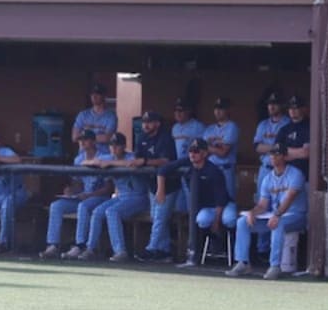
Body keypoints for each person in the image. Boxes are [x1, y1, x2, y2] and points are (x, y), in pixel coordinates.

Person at [226, 142, 307, 280]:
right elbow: (263, 205)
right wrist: (252, 212)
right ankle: (243, 262)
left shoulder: (295, 174)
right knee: (242, 222)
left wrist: (276, 215)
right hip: (275, 216)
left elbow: (289, 199)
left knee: (278, 223)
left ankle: (275, 266)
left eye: (277, 154)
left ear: (285, 157)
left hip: (296, 216)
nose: (273, 157)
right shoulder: (268, 178)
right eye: (271, 154)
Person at [156, 138, 236, 268]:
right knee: (201, 220)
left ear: (204, 153)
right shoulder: (187, 162)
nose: (192, 154)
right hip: (206, 207)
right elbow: (163, 170)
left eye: (196, 151)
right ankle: (207, 246)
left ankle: (235, 252)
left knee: (229, 219)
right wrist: (161, 190)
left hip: (223, 205)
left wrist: (216, 221)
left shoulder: (213, 170)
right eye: (190, 151)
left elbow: (221, 199)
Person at [39, 130, 112, 260]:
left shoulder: (104, 157)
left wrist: (89, 195)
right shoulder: (79, 159)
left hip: (100, 197)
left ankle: (80, 245)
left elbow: (108, 188)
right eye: (80, 140)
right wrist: (71, 190)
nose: (82, 142)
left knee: (83, 206)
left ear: (93, 141)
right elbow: (77, 182)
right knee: (56, 206)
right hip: (83, 196)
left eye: (86, 139)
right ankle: (53, 245)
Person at [84, 132, 150, 262]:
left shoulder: (131, 156)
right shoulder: (108, 157)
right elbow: (85, 162)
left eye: (117, 145)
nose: (114, 148)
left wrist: (111, 163)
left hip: (139, 197)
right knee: (97, 212)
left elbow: (130, 163)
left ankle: (120, 251)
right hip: (121, 197)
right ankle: (90, 249)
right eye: (112, 145)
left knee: (112, 212)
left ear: (124, 146)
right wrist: (100, 162)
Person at [133, 111, 179, 263]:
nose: (145, 124)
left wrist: (146, 162)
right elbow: (137, 158)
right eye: (144, 121)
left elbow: (166, 160)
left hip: (169, 185)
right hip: (152, 184)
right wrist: (142, 161)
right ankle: (164, 251)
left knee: (159, 217)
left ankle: (152, 248)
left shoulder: (165, 138)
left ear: (157, 123)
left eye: (149, 121)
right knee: (157, 217)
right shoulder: (142, 138)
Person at [253, 92, 291, 198]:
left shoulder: (288, 123)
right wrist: (275, 148)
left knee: (281, 200)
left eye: (275, 104)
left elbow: (286, 148)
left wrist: (266, 147)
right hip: (265, 168)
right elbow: (256, 147)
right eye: (270, 104)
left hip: (282, 170)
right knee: (261, 201)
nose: (272, 107)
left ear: (282, 105)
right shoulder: (263, 124)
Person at [203, 97, 240, 201]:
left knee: (227, 201)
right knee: (210, 200)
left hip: (226, 170)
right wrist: (215, 148)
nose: (218, 111)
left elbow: (223, 152)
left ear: (228, 110)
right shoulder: (209, 129)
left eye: (221, 108)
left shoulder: (232, 127)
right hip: (211, 169)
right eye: (216, 108)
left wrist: (208, 147)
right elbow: (203, 151)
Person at [72, 83, 117, 151]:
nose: (94, 96)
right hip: (84, 155)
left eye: (98, 93)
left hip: (103, 155)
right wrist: (98, 137)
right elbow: (74, 137)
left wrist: (85, 137)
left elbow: (107, 138)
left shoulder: (111, 116)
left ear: (104, 96)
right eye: (92, 94)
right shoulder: (83, 115)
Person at [276, 95, 310, 178]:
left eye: (296, 108)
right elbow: (277, 152)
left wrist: (286, 151)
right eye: (290, 108)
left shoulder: (310, 127)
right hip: (287, 177)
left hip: (305, 175)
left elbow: (306, 152)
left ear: (303, 109)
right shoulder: (284, 129)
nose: (292, 111)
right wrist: (298, 152)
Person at [170, 98, 206, 163]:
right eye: (175, 110)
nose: (177, 113)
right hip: (177, 163)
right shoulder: (175, 127)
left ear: (188, 111)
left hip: (193, 163)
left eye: (180, 110)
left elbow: (205, 147)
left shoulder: (198, 126)